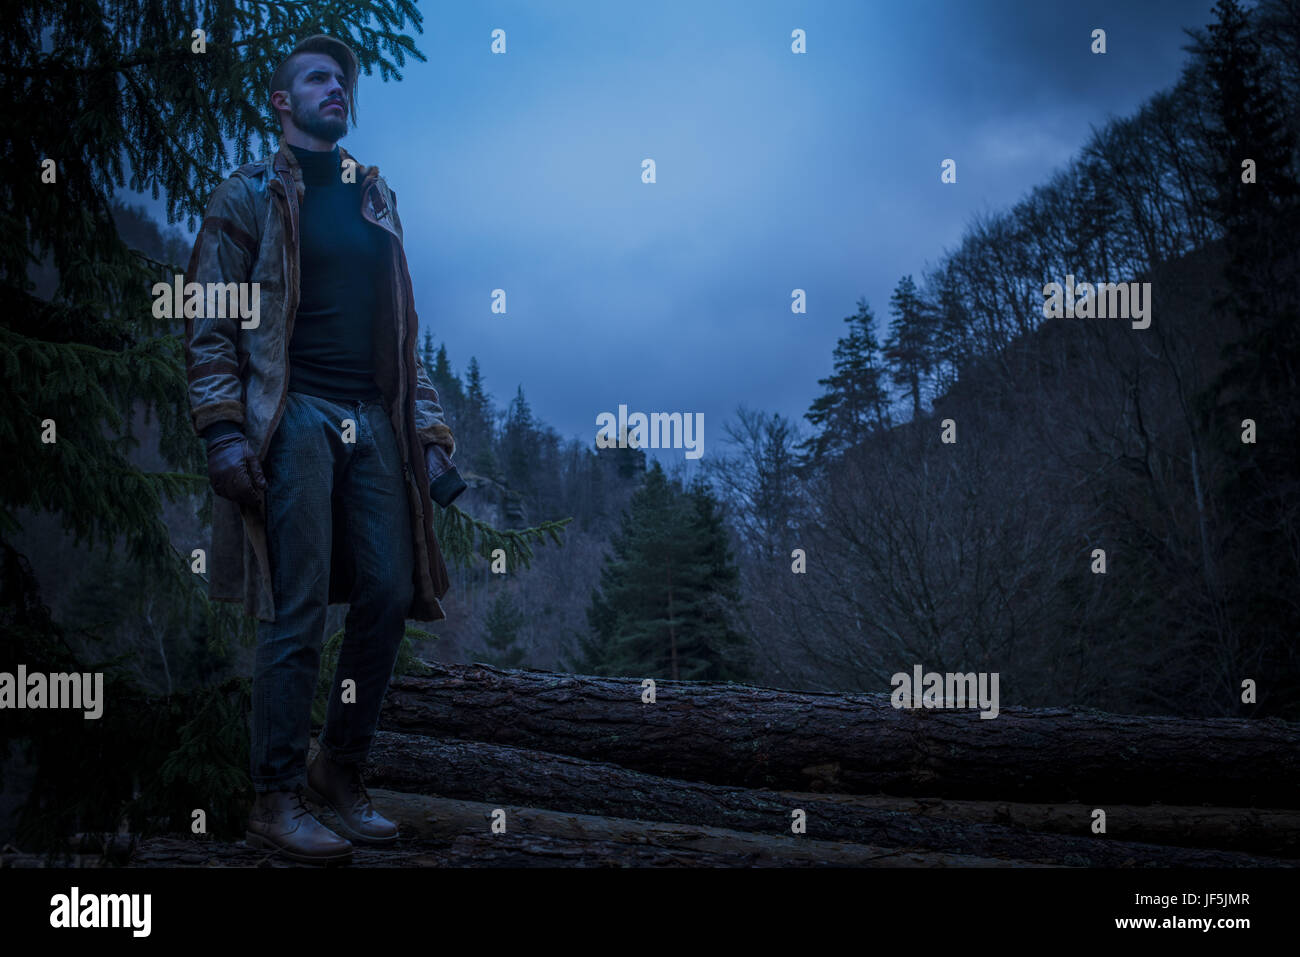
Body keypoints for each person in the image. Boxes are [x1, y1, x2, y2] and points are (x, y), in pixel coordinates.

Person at [183, 34, 468, 865]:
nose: (335, 87)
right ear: (282, 102)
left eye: (341, 79)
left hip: (370, 416)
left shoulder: (375, 198)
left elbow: (406, 337)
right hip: (291, 412)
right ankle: (273, 797)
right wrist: (223, 429)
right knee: (296, 602)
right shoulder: (246, 196)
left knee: (389, 589)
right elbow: (208, 324)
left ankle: (335, 773)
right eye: (316, 78)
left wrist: (429, 430)